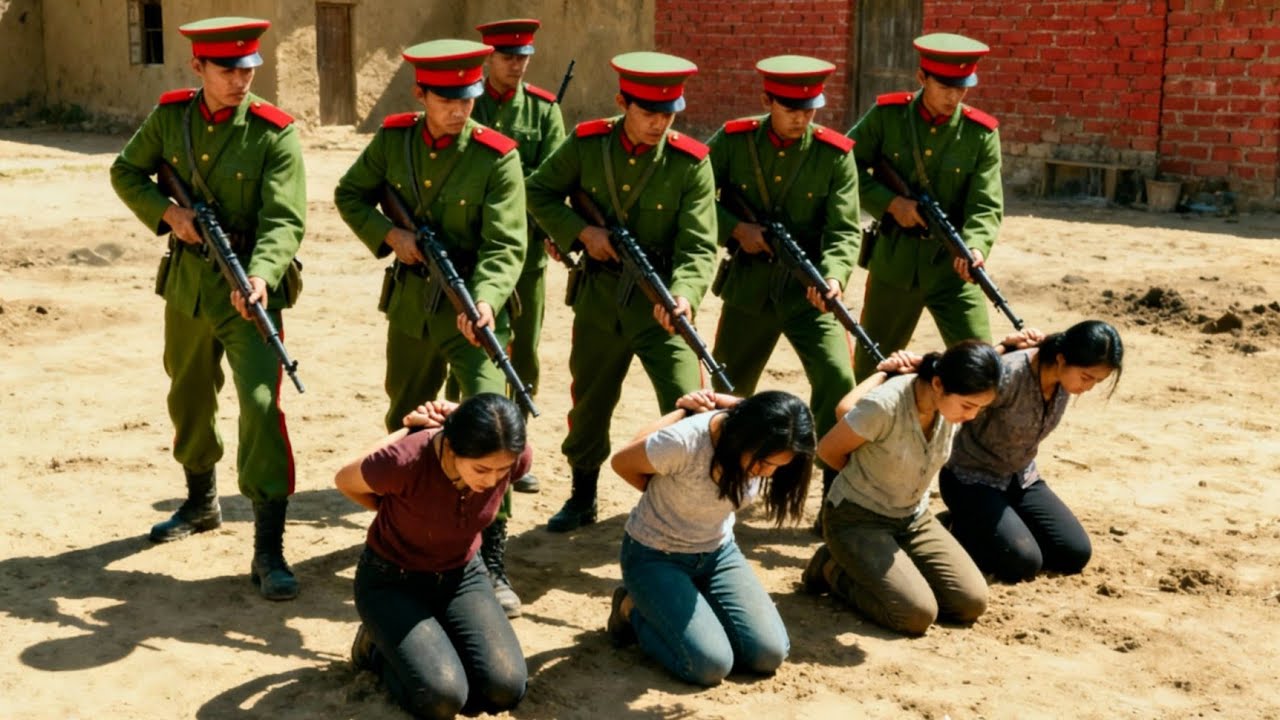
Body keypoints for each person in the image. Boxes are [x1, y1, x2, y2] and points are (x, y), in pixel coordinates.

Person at [109, 16, 305, 600]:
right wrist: (170, 216)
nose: (241, 79)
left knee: (262, 403)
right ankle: (201, 502)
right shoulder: (172, 118)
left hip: (248, 290)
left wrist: (263, 276)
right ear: (198, 67)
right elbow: (126, 171)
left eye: (249, 68)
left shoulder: (274, 132)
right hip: (189, 287)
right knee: (189, 392)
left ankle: (269, 547)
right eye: (228, 69)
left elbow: (286, 219)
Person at [333, 39, 527, 614]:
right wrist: (390, 236)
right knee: (408, 415)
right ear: (421, 94)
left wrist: (487, 298)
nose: (460, 110)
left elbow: (506, 243)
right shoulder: (394, 140)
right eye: (446, 100)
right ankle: (407, 535)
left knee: (492, 422)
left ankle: (490, 558)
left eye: (467, 99)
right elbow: (350, 194)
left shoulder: (497, 156)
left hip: (473, 313)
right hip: (414, 306)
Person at [525, 51, 719, 533]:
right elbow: (537, 190)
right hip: (601, 299)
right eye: (648, 112)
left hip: (662, 305)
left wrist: (685, 295)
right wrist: (580, 232)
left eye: (668, 114)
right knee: (589, 402)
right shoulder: (588, 144)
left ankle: (679, 503)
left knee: (686, 402)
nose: (659, 124)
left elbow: (699, 246)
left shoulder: (690, 163)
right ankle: (582, 495)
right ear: (621, 102)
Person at [706, 54, 861, 518]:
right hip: (749, 289)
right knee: (728, 386)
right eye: (791, 107)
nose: (802, 117)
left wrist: (833, 275)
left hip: (809, 290)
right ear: (767, 100)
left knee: (837, 381)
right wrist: (734, 228)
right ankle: (722, 484)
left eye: (810, 108)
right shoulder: (734, 141)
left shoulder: (835, 154)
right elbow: (692, 197)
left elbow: (844, 229)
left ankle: (834, 491)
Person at [335, 393, 531, 720]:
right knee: (443, 698)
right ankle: (375, 647)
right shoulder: (404, 461)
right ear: (452, 449)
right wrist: (391, 509)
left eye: (502, 471)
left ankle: (431, 641)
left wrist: (457, 412)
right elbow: (345, 480)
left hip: (461, 576)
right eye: (481, 469)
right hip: (391, 582)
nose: (492, 481)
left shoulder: (514, 456)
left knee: (505, 689)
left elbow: (499, 452)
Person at [606, 389, 814, 686]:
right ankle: (632, 609)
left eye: (776, 467)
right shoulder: (685, 441)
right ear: (743, 438)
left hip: (718, 552)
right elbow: (622, 462)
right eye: (763, 463)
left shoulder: (755, 428)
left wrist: (717, 398)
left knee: (769, 654)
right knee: (709, 665)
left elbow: (751, 410)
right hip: (656, 555)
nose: (766, 474)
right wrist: (682, 412)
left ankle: (691, 612)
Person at [803, 340, 1001, 636]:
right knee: (915, 615)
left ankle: (883, 569)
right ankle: (833, 570)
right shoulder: (885, 405)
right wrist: (868, 477)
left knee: (970, 602)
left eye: (979, 409)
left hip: (912, 517)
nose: (971, 416)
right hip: (857, 518)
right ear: (938, 384)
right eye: (968, 406)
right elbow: (828, 451)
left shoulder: (948, 404)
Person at [846, 33, 1004, 382]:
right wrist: (890, 203)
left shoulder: (980, 133)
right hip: (895, 265)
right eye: (946, 86)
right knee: (871, 369)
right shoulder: (887, 117)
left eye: (962, 88)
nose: (954, 97)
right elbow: (844, 169)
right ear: (922, 79)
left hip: (955, 268)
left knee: (983, 365)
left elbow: (986, 204)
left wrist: (976, 245)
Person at [940, 321, 1123, 582]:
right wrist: (1000, 350)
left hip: (1022, 479)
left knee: (1073, 554)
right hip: (972, 479)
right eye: (1087, 377)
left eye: (1098, 380)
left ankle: (997, 526)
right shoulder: (1010, 373)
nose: (1089, 387)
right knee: (1023, 563)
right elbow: (964, 387)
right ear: (1061, 359)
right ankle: (958, 524)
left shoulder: (1062, 379)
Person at [469, 17, 567, 497]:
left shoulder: (545, 112)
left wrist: (555, 232)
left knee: (523, 352)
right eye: (508, 57)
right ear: (489, 57)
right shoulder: (467, 102)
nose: (517, 65)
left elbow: (555, 183)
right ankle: (467, 441)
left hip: (524, 252)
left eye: (524, 57)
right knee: (472, 350)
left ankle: (517, 452)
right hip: (470, 250)